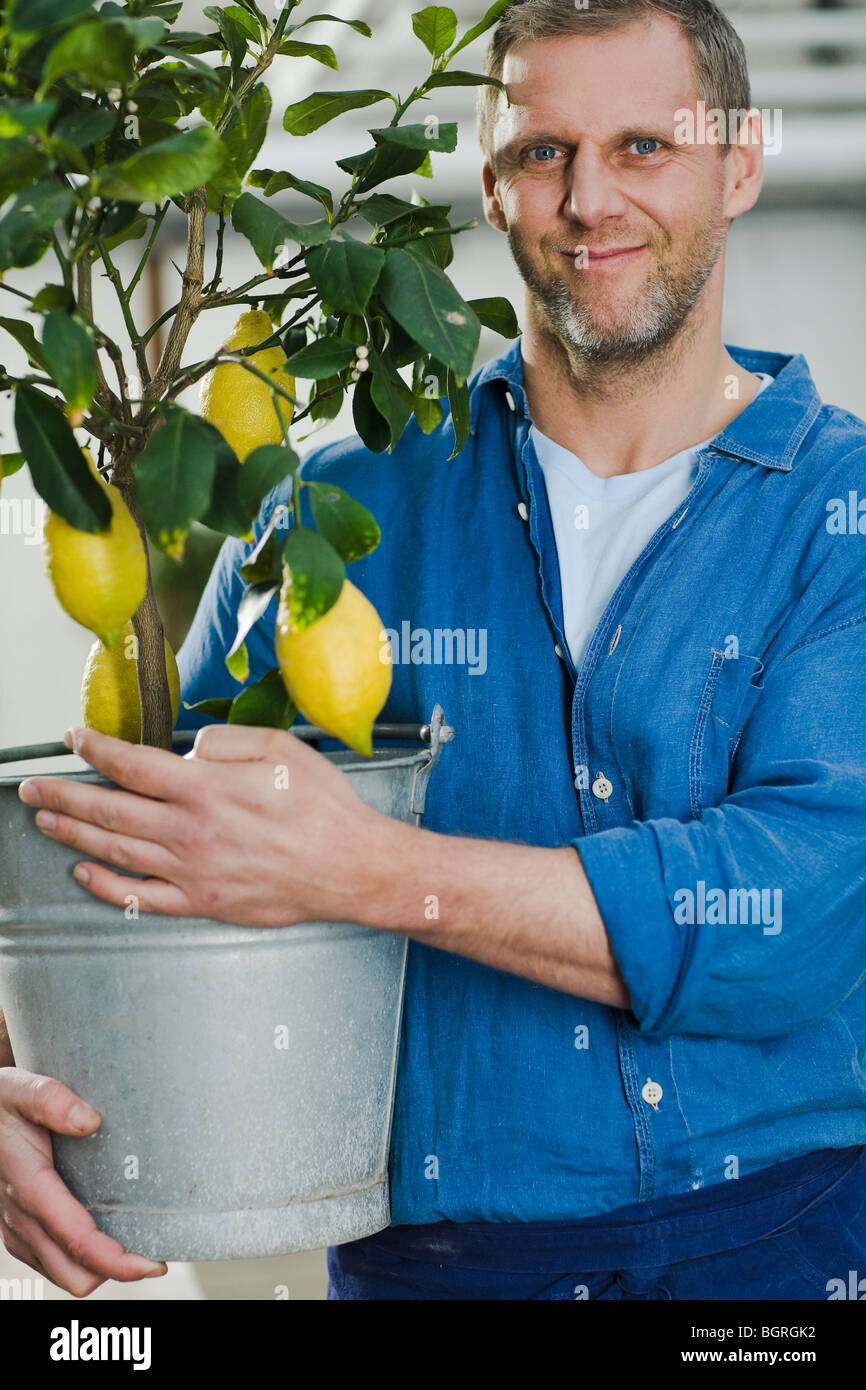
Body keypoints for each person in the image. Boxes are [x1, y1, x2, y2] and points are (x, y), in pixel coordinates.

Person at [4, 0, 866, 1300]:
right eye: (542, 152)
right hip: (435, 1276)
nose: (588, 200)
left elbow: (796, 904)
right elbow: (129, 851)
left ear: (738, 163)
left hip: (781, 1258)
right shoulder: (332, 514)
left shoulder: (837, 511)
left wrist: (370, 871)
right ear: (492, 181)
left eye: (643, 146)